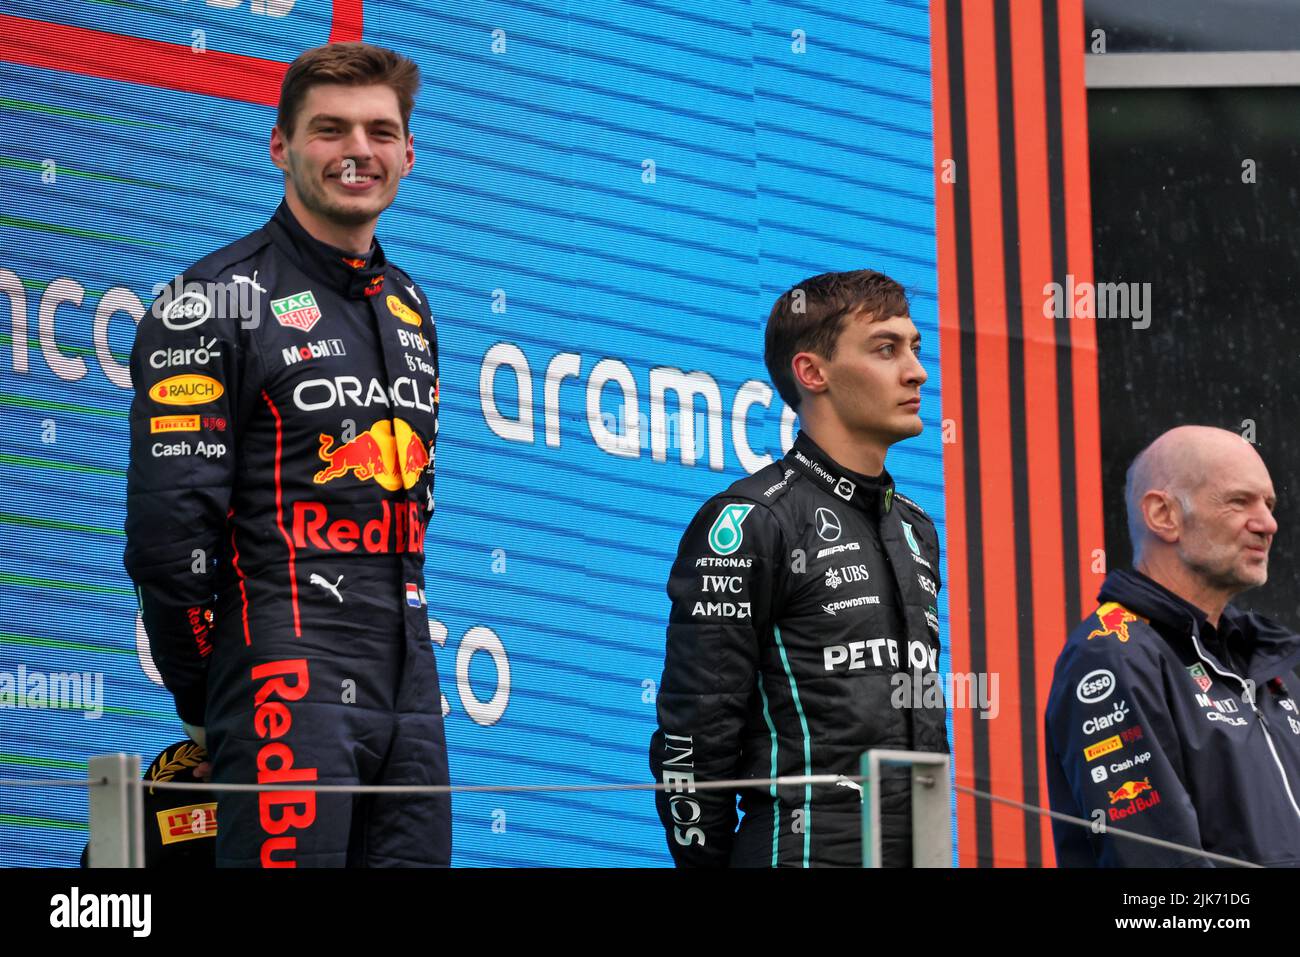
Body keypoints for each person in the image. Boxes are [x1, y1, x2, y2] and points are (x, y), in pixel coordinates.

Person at [124, 42, 449, 867]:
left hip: (409, 688)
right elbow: (170, 534)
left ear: (409, 153)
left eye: (381, 132)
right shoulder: (211, 300)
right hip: (283, 674)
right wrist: (206, 698)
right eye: (329, 130)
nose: (358, 152)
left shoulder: (410, 304)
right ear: (280, 147)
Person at [648, 270, 948, 867]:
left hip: (923, 848)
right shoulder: (751, 521)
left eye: (915, 348)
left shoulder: (915, 527)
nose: (916, 370)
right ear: (813, 373)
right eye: (886, 349)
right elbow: (692, 740)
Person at [1046, 426, 1300, 866]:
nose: (1268, 524)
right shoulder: (1112, 655)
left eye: (1270, 505)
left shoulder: (1271, 661)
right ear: (1164, 515)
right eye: (1240, 501)